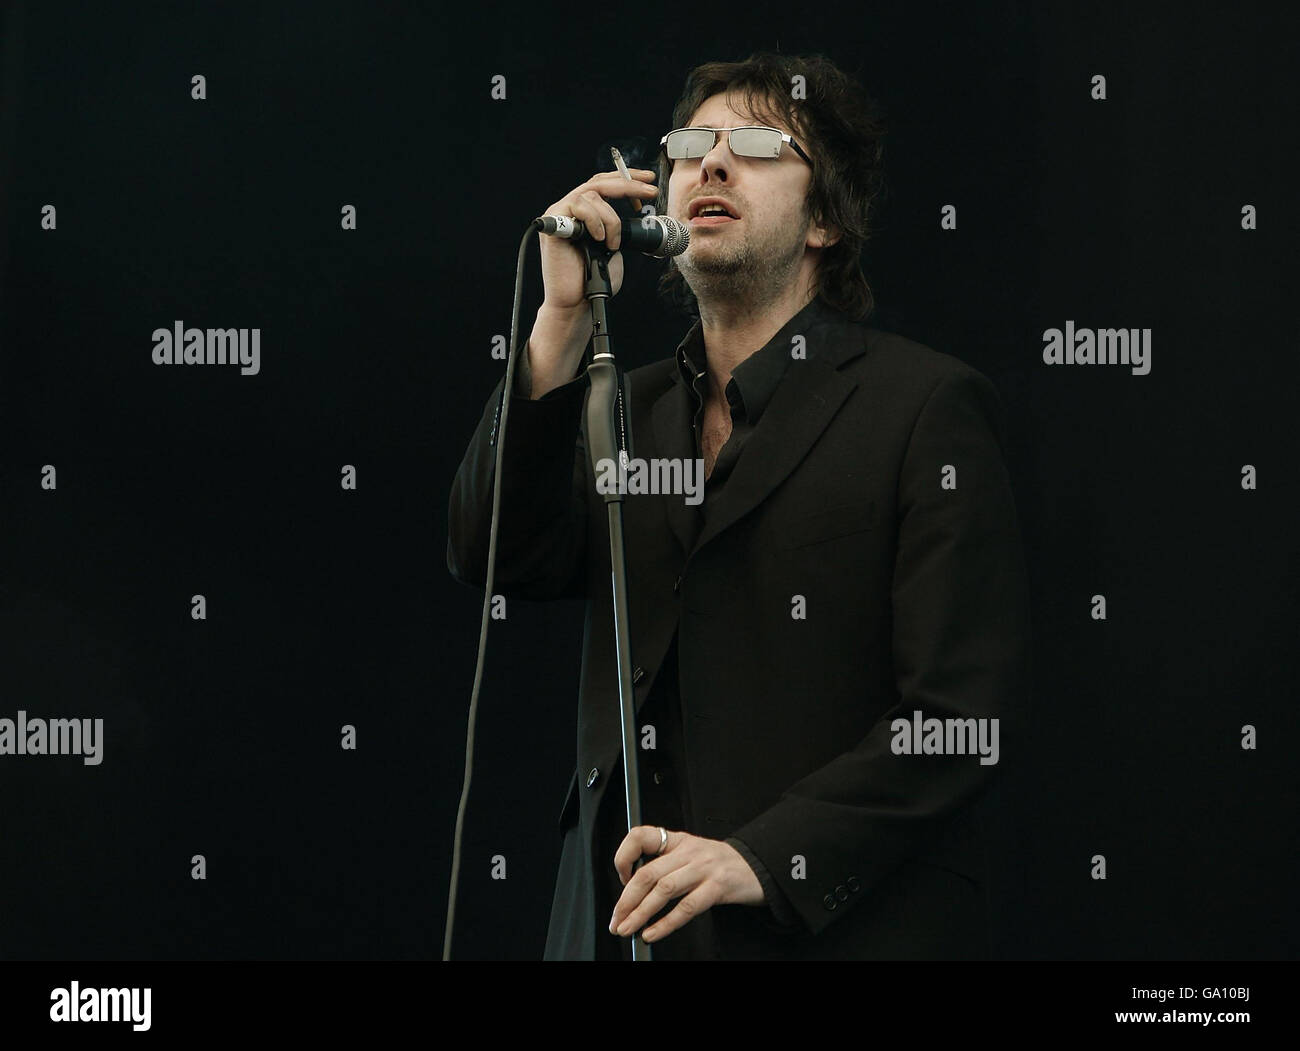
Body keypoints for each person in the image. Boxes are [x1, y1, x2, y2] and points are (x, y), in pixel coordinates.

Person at [447, 51, 1032, 960]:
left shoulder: (923, 406)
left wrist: (762, 855)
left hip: (831, 927)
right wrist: (558, 320)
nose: (712, 163)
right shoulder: (622, 404)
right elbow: (494, 552)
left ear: (827, 220)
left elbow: (961, 714)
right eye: (691, 145)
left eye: (759, 145)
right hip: (619, 930)